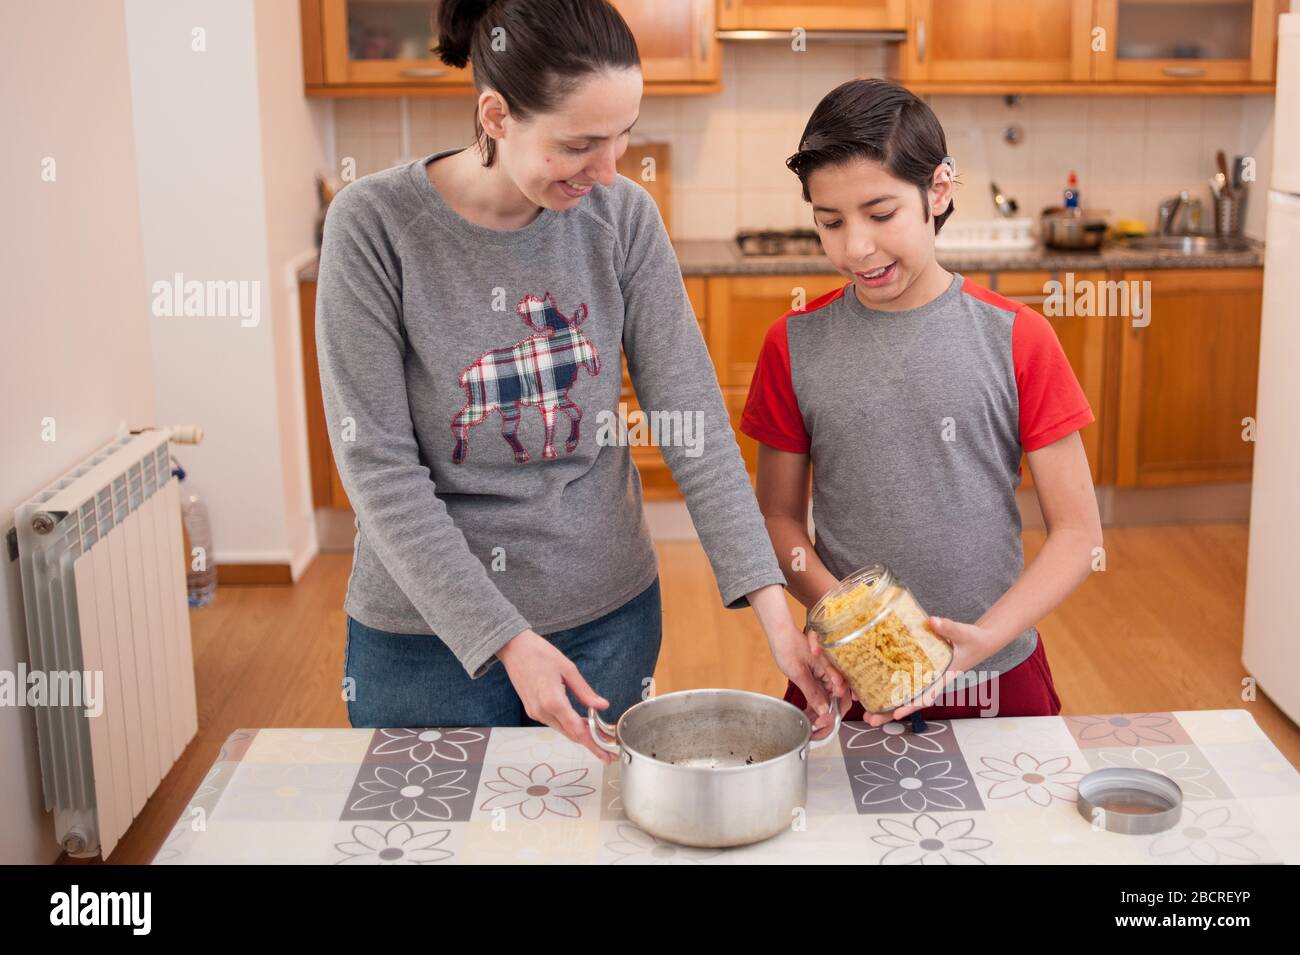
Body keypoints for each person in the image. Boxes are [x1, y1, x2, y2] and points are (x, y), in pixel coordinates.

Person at [315, 0, 846, 760]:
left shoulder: (623, 219)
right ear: (495, 115)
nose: (609, 171)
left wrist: (773, 609)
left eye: (623, 135)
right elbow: (379, 468)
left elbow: (692, 423)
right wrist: (503, 638)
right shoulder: (373, 225)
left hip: (606, 623)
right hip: (424, 640)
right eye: (581, 144)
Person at [741, 79, 1104, 727]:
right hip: (849, 674)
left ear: (938, 191)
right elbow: (778, 521)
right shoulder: (792, 345)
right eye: (831, 222)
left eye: (881, 214)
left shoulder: (1019, 339)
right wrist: (861, 627)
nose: (856, 247)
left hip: (999, 670)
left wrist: (988, 636)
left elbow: (1078, 534)